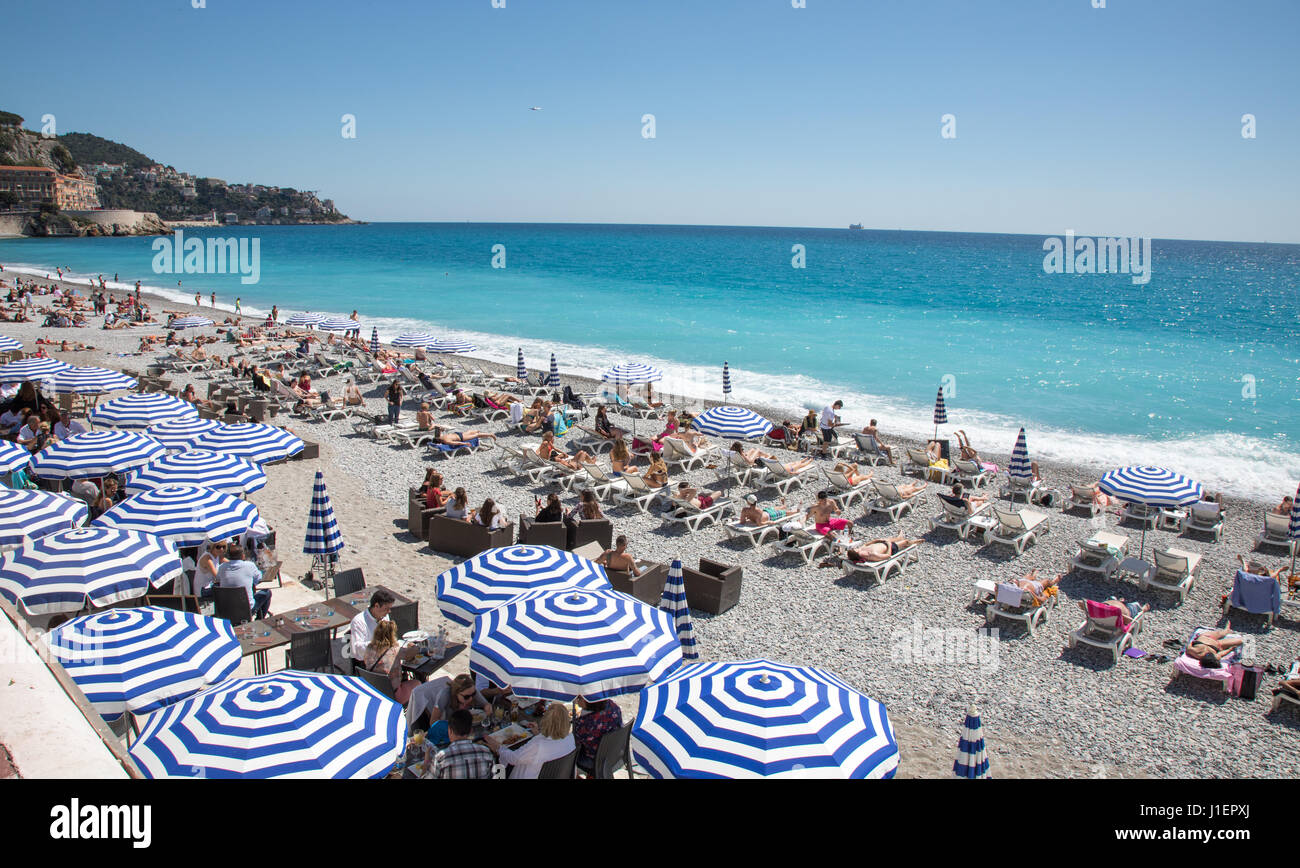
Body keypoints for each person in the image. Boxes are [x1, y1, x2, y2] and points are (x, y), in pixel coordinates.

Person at [490, 701, 575, 779]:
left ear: (545, 721)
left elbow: (514, 759)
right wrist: (538, 734)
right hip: (556, 775)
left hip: (529, 775)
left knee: (496, 764)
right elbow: (552, 745)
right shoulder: (571, 738)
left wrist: (498, 748)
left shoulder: (538, 745)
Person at [362, 620, 421, 704]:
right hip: (393, 695)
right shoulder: (394, 650)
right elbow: (412, 653)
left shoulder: (369, 648)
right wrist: (413, 646)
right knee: (418, 683)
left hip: (376, 691)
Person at [427, 709, 494, 779]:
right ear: (471, 731)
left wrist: (427, 762)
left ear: (450, 731)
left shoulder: (440, 758)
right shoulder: (486, 753)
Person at [216, 545, 271, 619]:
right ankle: (259, 620)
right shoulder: (250, 565)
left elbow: (218, 579)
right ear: (243, 556)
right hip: (246, 609)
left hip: (227, 609)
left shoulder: (222, 567)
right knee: (267, 592)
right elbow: (259, 578)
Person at [572, 696, 623, 770]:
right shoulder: (612, 706)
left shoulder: (584, 724)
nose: (577, 701)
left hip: (596, 761)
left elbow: (575, 744)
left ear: (590, 702)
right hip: (616, 752)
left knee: (569, 754)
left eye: (579, 699)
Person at [349, 589, 395, 670]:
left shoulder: (384, 616)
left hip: (384, 656)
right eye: (386, 609)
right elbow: (357, 649)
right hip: (367, 663)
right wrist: (377, 644)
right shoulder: (359, 621)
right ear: (376, 606)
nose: (389, 611)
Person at [843, 535, 924, 563]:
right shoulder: (872, 555)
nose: (856, 548)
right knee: (905, 542)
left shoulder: (861, 550)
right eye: (855, 549)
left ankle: (899, 537)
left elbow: (867, 544)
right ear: (856, 553)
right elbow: (887, 556)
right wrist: (888, 545)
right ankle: (913, 542)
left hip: (882, 544)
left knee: (892, 539)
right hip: (891, 548)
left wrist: (876, 540)